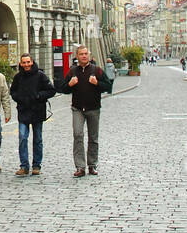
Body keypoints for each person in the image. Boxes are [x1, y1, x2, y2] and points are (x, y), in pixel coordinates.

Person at [57, 45, 112, 178]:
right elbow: (62, 88)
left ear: (89, 55)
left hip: (93, 108)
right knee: (78, 135)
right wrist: (70, 84)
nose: (84, 56)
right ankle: (80, 167)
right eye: (81, 54)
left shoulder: (97, 70)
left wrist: (97, 83)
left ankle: (92, 165)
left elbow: (108, 87)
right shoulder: (72, 71)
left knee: (93, 137)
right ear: (77, 56)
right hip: (77, 109)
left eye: (86, 53)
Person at [10, 53, 55, 176]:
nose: (26, 65)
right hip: (23, 111)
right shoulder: (18, 77)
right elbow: (12, 91)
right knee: (23, 138)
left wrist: (39, 96)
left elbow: (51, 90)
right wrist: (19, 98)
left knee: (38, 139)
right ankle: (24, 166)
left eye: (28, 62)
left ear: (32, 62)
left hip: (37, 111)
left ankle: (36, 165)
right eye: (23, 62)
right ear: (20, 63)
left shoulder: (40, 75)